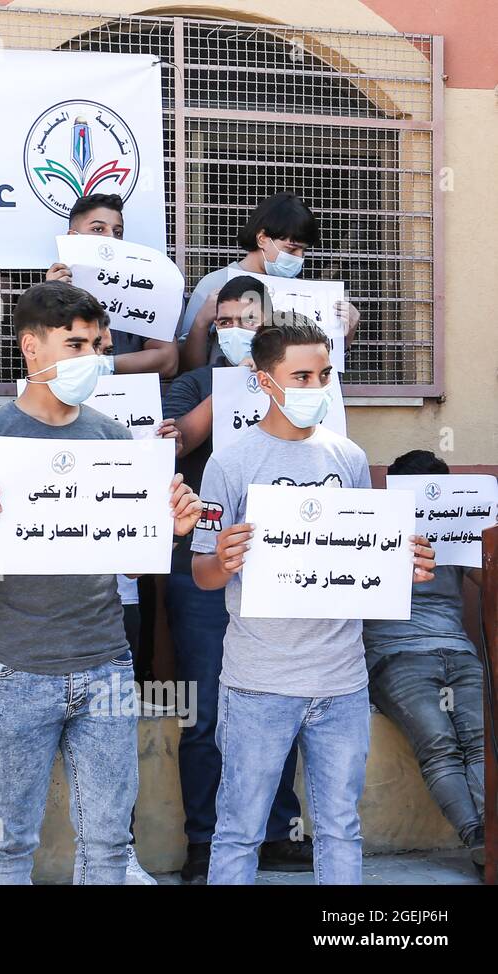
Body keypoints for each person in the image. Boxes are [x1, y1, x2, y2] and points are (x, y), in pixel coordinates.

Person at [0, 280, 201, 884]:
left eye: (97, 344)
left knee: (111, 844)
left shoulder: (114, 439)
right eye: (75, 344)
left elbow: (135, 563)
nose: (91, 357)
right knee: (8, 843)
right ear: (31, 347)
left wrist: (171, 531)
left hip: (106, 665)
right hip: (16, 668)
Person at [191, 319, 436, 885]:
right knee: (239, 829)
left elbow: (363, 561)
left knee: (341, 829)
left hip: (342, 682)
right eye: (300, 375)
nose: (315, 386)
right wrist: (223, 559)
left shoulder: (348, 458)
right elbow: (203, 574)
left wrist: (404, 564)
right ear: (262, 380)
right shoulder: (229, 464)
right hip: (258, 682)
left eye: (324, 374)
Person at [163, 275, 312, 882]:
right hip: (201, 565)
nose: (235, 330)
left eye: (248, 320)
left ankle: (276, 831)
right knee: (205, 706)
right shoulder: (192, 386)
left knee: (279, 702)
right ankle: (205, 840)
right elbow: (173, 448)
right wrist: (235, 389)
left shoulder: (305, 391)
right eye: (223, 321)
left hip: (280, 570)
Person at [365, 450, 486, 874]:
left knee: (482, 739)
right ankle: (480, 841)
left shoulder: (457, 525)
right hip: (395, 655)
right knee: (438, 743)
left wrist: (474, 538)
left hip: (457, 650)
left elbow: (488, 580)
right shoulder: (368, 528)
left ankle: (490, 843)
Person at [177, 192, 360, 372]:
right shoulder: (215, 284)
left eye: (303, 251)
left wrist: (345, 337)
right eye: (292, 249)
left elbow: (318, 367)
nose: (299, 258)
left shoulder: (304, 296)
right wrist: (201, 322)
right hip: (223, 396)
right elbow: (186, 367)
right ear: (263, 239)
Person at [45, 193, 177, 379]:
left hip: (127, 401)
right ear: (72, 237)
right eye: (98, 229)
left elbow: (167, 360)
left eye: (117, 232)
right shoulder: (52, 287)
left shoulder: (144, 286)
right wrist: (50, 300)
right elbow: (38, 356)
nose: (110, 238)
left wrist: (102, 366)